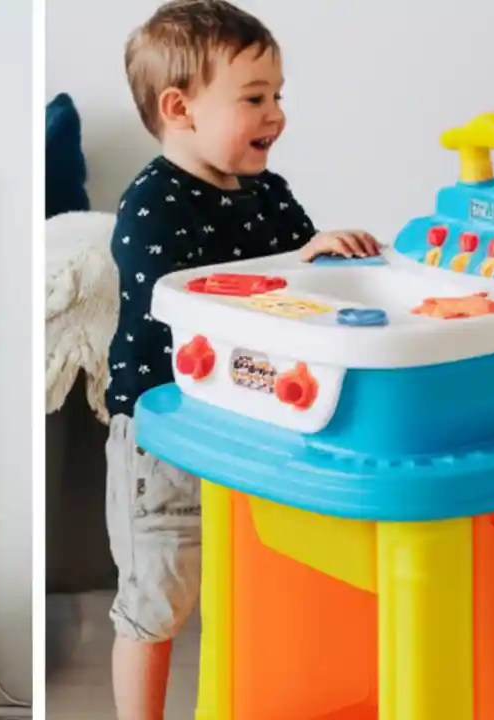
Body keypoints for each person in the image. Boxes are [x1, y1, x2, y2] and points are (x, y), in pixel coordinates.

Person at [102, 2, 379, 717]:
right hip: (166, 435)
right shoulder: (151, 205)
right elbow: (192, 297)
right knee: (155, 601)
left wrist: (324, 258)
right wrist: (290, 268)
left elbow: (302, 280)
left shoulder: (269, 194)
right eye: (254, 98)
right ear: (180, 108)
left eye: (278, 95)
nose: (275, 114)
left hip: (249, 422)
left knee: (253, 590)